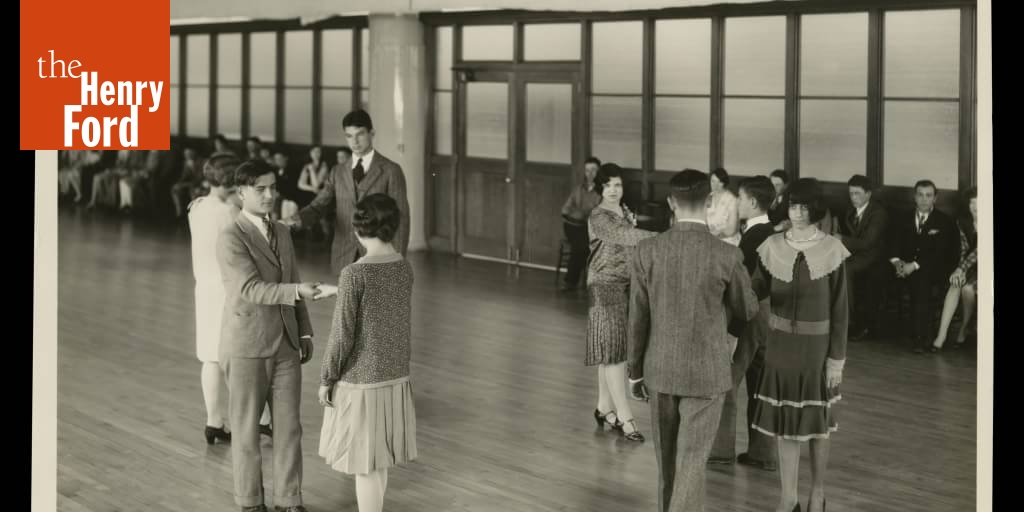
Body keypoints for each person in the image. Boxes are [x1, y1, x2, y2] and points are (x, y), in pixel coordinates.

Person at [627, 169, 759, 512]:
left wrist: (634, 372)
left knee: (667, 466)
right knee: (691, 464)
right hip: (707, 373)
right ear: (710, 201)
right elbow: (746, 310)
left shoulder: (646, 251)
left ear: (671, 202)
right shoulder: (727, 255)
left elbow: (638, 318)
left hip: (659, 370)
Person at [216, 158, 323, 512]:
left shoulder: (281, 231)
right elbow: (251, 288)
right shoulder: (231, 237)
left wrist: (305, 332)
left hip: (287, 344)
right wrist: (297, 292)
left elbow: (292, 274)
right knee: (246, 432)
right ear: (241, 192)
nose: (269, 195)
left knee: (289, 429)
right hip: (247, 344)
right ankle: (250, 503)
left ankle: (289, 501)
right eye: (260, 189)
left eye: (272, 188)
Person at [749, 178, 850, 512]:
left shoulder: (833, 249)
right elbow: (754, 291)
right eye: (793, 205)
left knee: (817, 425)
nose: (798, 213)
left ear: (815, 209)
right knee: (785, 425)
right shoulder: (772, 245)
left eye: (805, 206)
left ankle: (817, 494)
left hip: (816, 351)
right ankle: (788, 498)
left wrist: (836, 359)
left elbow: (841, 309)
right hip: (779, 348)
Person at [318, 193, 418, 512]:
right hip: (393, 374)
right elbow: (380, 304)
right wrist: (341, 291)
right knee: (379, 461)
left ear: (357, 229)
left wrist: (326, 378)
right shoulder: (404, 267)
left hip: (362, 379)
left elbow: (342, 334)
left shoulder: (354, 274)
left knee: (364, 464)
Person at [189, 153, 274, 445]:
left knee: (211, 356)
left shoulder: (197, 207)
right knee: (248, 356)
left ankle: (214, 421)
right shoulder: (230, 214)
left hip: (205, 289)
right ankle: (260, 420)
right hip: (232, 290)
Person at [709, 175, 778, 471]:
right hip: (768, 316)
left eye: (739, 198)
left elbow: (744, 289)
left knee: (727, 379)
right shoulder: (772, 232)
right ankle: (763, 454)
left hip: (749, 315)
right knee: (760, 383)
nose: (736, 203)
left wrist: (731, 331)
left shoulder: (753, 238)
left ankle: (721, 450)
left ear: (751, 202)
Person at [290, 110, 411, 275]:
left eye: (360, 134)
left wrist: (396, 259)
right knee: (346, 301)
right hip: (343, 256)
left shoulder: (391, 170)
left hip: (379, 256)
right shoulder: (337, 172)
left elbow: (401, 216)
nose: (354, 141)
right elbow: (318, 206)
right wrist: (292, 222)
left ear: (372, 133)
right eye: (349, 136)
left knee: (375, 301)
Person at [586, 163, 657, 443]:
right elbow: (627, 237)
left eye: (618, 185)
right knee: (614, 353)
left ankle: (604, 408)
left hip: (626, 285)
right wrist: (668, 237)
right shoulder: (598, 216)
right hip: (604, 286)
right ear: (599, 188)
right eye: (608, 186)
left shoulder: (625, 211)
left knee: (612, 350)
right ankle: (626, 418)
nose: (614, 191)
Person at [888, 180, 960, 353]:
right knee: (879, 275)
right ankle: (875, 329)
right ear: (914, 197)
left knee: (921, 282)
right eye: (920, 195)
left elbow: (941, 253)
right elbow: (892, 243)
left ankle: (920, 337)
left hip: (934, 268)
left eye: (928, 195)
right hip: (904, 265)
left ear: (935, 198)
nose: (924, 199)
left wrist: (914, 265)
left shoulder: (944, 221)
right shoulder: (902, 218)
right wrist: (897, 262)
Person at [835, 175, 889, 341]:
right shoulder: (850, 209)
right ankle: (836, 317)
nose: (853, 197)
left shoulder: (878, 213)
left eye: (857, 193)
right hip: (855, 253)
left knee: (845, 268)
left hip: (873, 256)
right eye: (851, 193)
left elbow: (867, 243)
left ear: (868, 194)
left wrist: (841, 239)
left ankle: (849, 322)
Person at [931, 187, 978, 351]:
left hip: (986, 265)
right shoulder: (963, 221)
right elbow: (964, 249)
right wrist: (959, 269)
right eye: (972, 202)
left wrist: (961, 269)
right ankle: (941, 336)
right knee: (955, 284)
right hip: (969, 264)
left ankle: (964, 328)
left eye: (980, 202)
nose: (976, 207)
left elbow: (980, 251)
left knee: (968, 289)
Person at [560, 156, 602, 291]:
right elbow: (565, 209)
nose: (590, 174)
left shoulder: (602, 192)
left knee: (580, 247)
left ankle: (570, 282)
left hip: (590, 228)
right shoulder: (578, 189)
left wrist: (585, 215)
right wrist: (576, 213)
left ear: (599, 172)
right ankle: (584, 281)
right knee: (582, 245)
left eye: (593, 170)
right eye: (587, 170)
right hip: (572, 226)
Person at [706, 168, 741, 246]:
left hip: (728, 241)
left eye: (719, 182)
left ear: (724, 183)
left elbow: (731, 229)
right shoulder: (708, 197)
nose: (715, 185)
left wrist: (716, 235)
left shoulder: (732, 200)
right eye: (713, 181)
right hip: (710, 239)